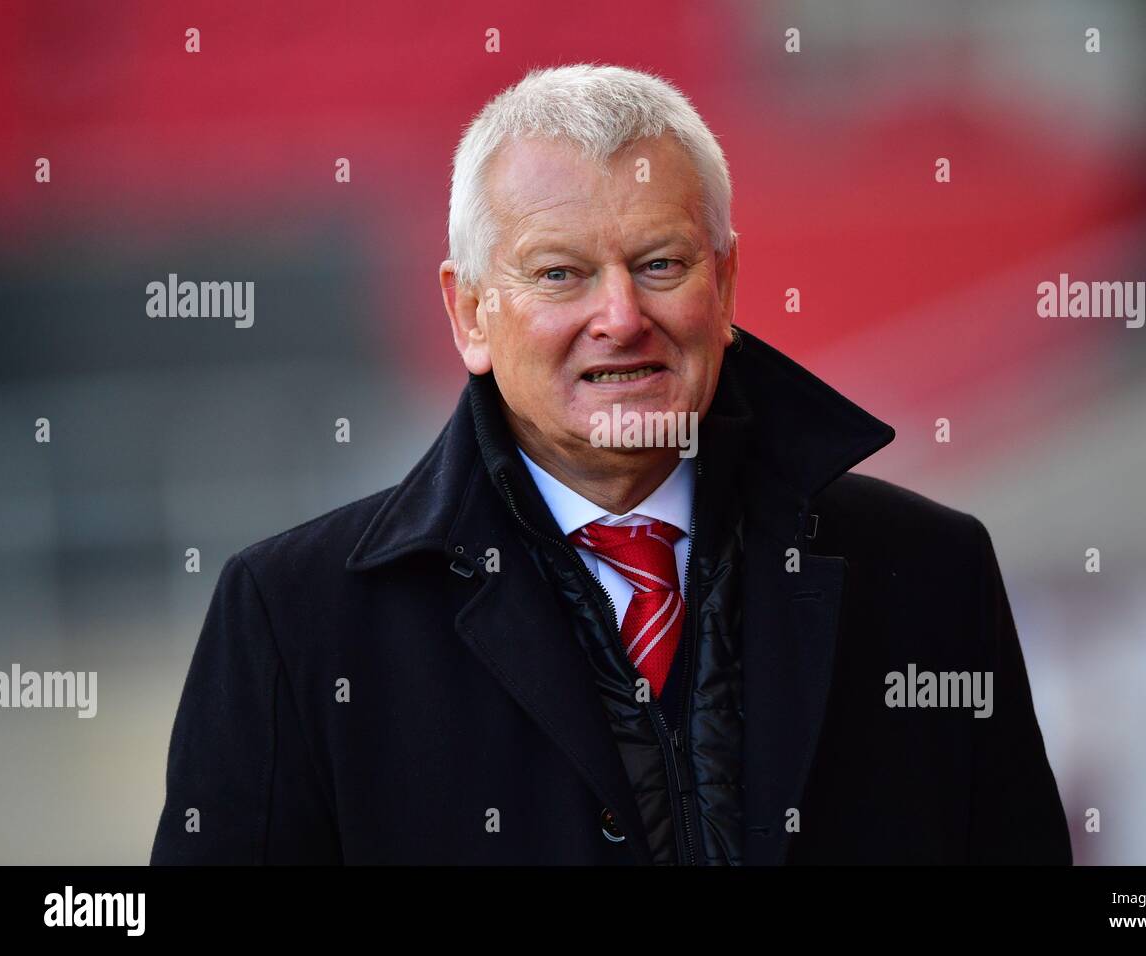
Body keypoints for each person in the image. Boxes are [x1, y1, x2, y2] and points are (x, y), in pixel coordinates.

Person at [150, 63, 1071, 865]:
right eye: (560, 274)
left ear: (728, 285)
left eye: (660, 263)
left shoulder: (930, 574)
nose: (622, 316)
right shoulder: (295, 619)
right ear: (470, 313)